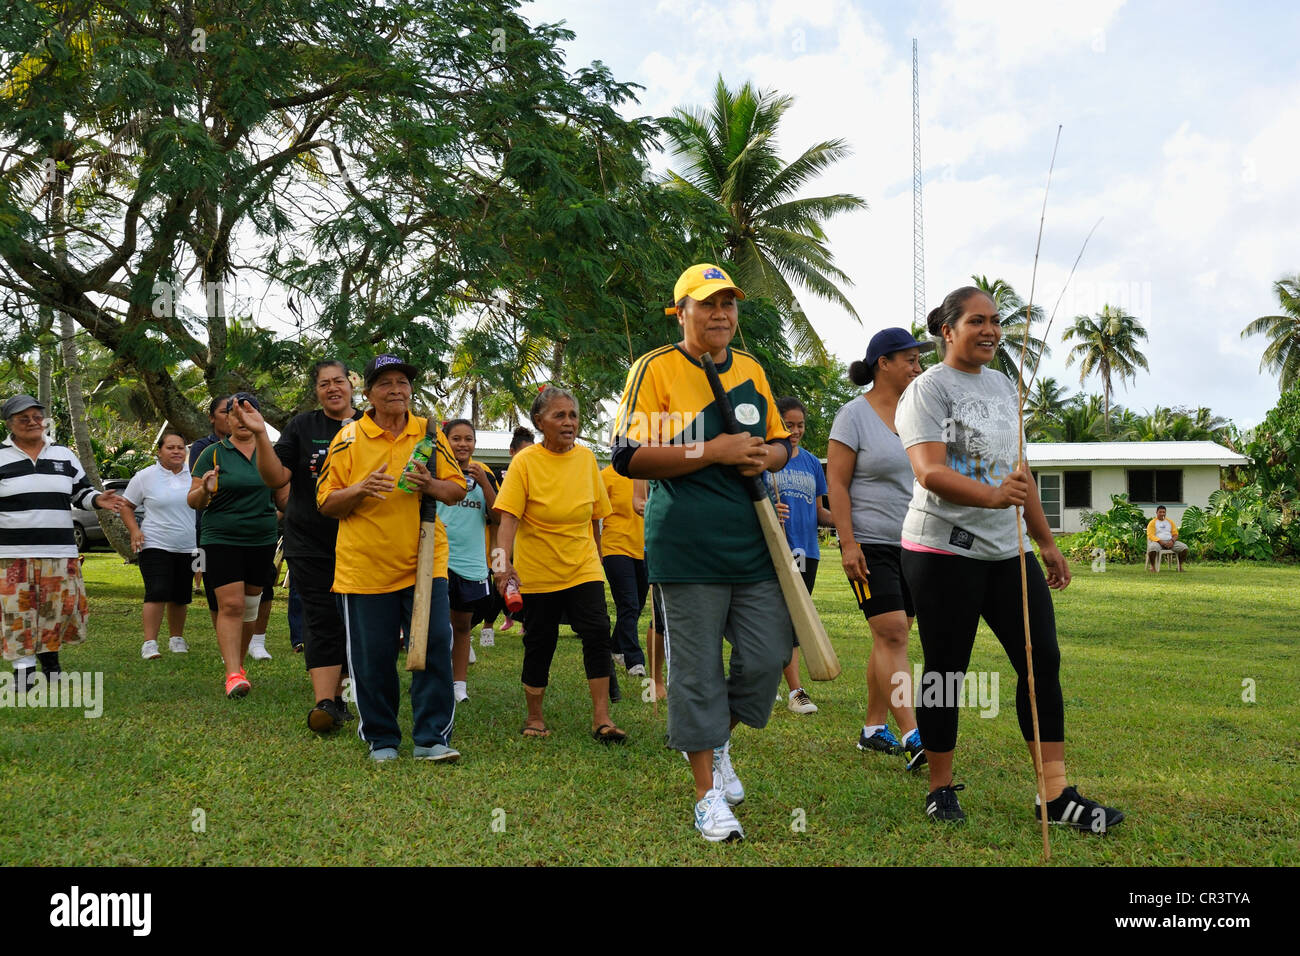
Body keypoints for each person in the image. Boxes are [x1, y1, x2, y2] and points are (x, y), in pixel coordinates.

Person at [897, 286, 1123, 831]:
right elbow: (930, 472)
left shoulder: (1002, 385)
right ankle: (940, 787)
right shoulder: (926, 390)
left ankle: (1055, 795)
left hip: (1008, 551)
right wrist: (992, 496)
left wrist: (1044, 540)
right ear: (947, 330)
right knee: (946, 672)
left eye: (996, 321)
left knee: (1040, 661)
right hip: (942, 549)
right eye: (978, 321)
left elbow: (1020, 474)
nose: (992, 330)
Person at [611, 263, 793, 843]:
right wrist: (711, 449)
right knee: (694, 672)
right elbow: (628, 457)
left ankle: (719, 741)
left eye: (728, 305)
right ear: (681, 312)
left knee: (766, 657)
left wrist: (768, 458)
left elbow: (782, 441)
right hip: (685, 543)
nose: (720, 315)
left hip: (754, 539)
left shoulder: (750, 369)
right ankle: (705, 796)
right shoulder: (655, 368)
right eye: (707, 305)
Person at [317, 354, 466, 762]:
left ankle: (431, 738)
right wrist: (361, 489)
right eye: (386, 384)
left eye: (403, 382)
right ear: (368, 394)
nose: (396, 390)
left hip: (425, 561)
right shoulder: (348, 438)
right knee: (373, 655)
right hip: (364, 565)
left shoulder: (429, 434)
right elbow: (327, 502)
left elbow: (457, 490)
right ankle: (382, 739)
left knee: (434, 643)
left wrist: (430, 484)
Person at [229, 359, 362, 732]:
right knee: (320, 619)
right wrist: (259, 435)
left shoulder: (370, 425)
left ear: (352, 384)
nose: (333, 388)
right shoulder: (303, 426)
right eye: (324, 384)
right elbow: (275, 477)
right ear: (316, 391)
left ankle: (349, 694)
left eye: (339, 381)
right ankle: (326, 702)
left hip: (363, 541)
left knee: (356, 620)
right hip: (309, 540)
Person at [492, 386, 626, 743]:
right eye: (559, 416)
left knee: (597, 633)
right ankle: (534, 717)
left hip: (582, 566)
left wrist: (598, 562)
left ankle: (602, 718)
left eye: (573, 416)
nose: (569, 423)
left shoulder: (585, 460)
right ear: (540, 421)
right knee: (540, 641)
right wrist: (501, 566)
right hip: (538, 570)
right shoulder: (525, 462)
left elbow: (594, 519)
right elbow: (507, 520)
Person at [826, 328, 932, 769]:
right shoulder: (852, 416)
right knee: (893, 632)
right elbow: (836, 482)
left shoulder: (920, 417)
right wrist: (848, 544)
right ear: (882, 363)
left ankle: (873, 728)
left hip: (914, 541)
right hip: (870, 544)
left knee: (889, 634)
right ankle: (914, 733)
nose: (918, 367)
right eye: (910, 359)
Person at [1, 394, 124, 690]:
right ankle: (24, 672)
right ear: (9, 424)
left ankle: (52, 665)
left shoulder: (64, 455)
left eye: (36, 416)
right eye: (23, 418)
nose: (32, 422)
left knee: (55, 609)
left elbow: (80, 492)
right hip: (10, 554)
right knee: (17, 611)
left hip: (59, 550)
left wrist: (98, 499)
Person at [187, 392, 279, 699]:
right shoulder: (212, 453)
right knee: (232, 605)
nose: (239, 419)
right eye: (232, 413)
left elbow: (283, 495)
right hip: (220, 538)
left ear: (258, 416)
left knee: (250, 607)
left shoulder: (271, 451)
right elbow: (193, 500)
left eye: (246, 412)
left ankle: (237, 665)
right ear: (225, 419)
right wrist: (205, 489)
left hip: (262, 539)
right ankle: (233, 673)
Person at [763, 396, 832, 715]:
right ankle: (796, 691)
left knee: (795, 618)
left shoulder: (812, 464)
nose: (795, 431)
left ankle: (769, 682)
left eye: (800, 425)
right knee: (781, 618)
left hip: (808, 552)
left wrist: (847, 521)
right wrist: (767, 508)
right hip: (775, 551)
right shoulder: (765, 459)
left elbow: (820, 511)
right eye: (788, 425)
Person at [119, 429, 197, 659]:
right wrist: (134, 530)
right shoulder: (146, 476)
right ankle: (150, 643)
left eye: (180, 448)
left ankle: (176, 639)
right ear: (159, 451)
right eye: (170, 447)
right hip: (154, 542)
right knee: (158, 590)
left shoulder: (194, 475)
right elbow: (126, 505)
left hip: (188, 545)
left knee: (181, 594)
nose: (176, 451)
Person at [441, 419, 500, 703]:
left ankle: (458, 685)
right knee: (435, 627)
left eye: (468, 439)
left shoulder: (483, 474)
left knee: (463, 625)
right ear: (445, 441)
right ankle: (434, 679)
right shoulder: (435, 471)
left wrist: (486, 483)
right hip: (438, 561)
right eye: (456, 438)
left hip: (472, 563)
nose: (462, 444)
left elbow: (498, 516)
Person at [600, 464, 650, 678]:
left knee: (636, 605)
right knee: (628, 604)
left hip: (644, 548)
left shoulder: (646, 473)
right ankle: (634, 661)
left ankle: (614, 646)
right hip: (615, 547)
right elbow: (595, 516)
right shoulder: (606, 476)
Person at [189, 396, 231, 595]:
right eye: (224, 411)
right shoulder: (203, 447)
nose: (230, 416)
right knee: (200, 554)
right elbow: (202, 485)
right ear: (212, 417)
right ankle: (197, 584)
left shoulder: (254, 447)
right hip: (206, 522)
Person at [1146, 505, 1189, 571]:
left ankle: (1179, 566)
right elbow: (1150, 535)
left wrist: (1172, 541)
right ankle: (1152, 567)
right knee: (1152, 548)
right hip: (1158, 542)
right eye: (1160, 512)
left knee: (1184, 548)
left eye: (1163, 512)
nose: (1162, 514)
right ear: (1156, 512)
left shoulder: (1170, 522)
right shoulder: (1152, 523)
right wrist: (1160, 541)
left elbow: (1175, 534)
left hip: (1170, 542)